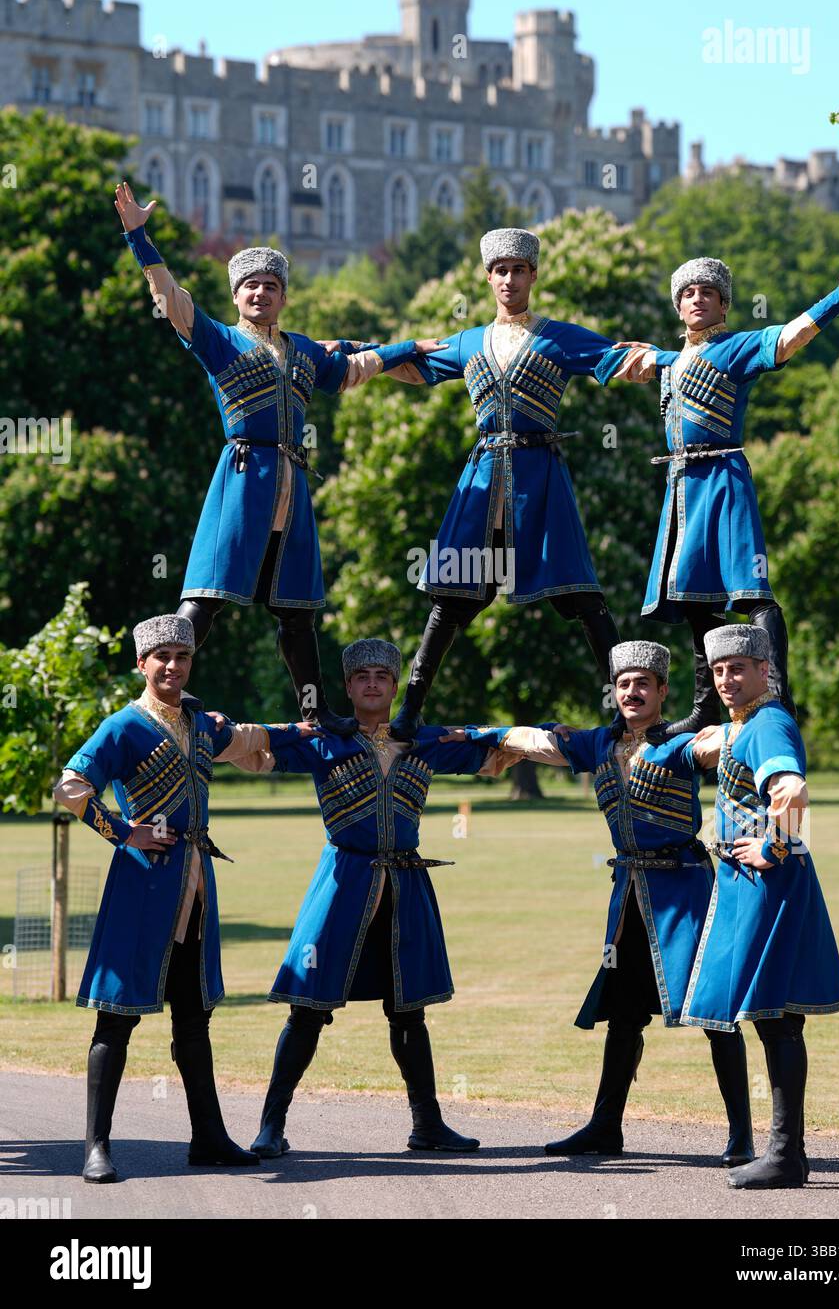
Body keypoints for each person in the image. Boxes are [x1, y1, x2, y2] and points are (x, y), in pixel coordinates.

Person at [114, 180, 443, 733]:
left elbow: (353, 369)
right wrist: (137, 237)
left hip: (292, 483)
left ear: (284, 295)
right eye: (250, 286)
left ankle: (314, 713)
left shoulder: (306, 350)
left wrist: (407, 348)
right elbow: (170, 297)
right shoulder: (218, 340)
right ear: (237, 295)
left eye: (270, 285)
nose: (260, 293)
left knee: (297, 612)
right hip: (242, 478)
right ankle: (163, 699)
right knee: (205, 598)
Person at [215, 638, 515, 1155]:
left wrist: (521, 734)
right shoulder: (321, 740)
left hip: (405, 887)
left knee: (408, 1010)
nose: (373, 683)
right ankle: (271, 1126)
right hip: (341, 884)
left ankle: (428, 1125)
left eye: (382, 675)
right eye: (362, 676)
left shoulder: (423, 741)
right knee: (306, 1006)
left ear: (396, 686)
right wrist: (215, 724)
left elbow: (496, 754)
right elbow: (246, 751)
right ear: (349, 687)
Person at [464, 641, 754, 1165]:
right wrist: (468, 735)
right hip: (629, 900)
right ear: (613, 693)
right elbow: (532, 742)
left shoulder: (682, 740)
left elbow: (730, 743)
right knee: (623, 1013)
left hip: (685, 891)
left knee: (715, 1010)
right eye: (624, 684)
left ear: (663, 691)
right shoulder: (596, 744)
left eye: (643, 683)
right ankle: (605, 1127)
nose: (633, 692)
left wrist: (755, 723)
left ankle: (741, 1136)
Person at [366, 228, 635, 739]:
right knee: (450, 597)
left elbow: (621, 360)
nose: (509, 279)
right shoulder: (467, 342)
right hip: (483, 480)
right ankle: (409, 713)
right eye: (500, 271)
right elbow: (411, 371)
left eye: (518, 270)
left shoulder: (560, 336)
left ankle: (628, 712)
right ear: (488, 278)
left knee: (582, 596)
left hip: (541, 482)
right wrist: (363, 354)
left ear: (533, 275)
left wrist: (671, 359)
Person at [612, 251, 839, 733]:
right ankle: (706, 708)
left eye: (707, 293)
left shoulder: (737, 348)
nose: (697, 299)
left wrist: (838, 297)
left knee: (752, 593)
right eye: (688, 293)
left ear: (724, 304)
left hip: (724, 478)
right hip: (682, 487)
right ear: (678, 305)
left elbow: (789, 337)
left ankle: (775, 694)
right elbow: (646, 359)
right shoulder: (671, 359)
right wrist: (639, 356)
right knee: (694, 599)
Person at [53, 614, 272, 1182]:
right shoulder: (122, 727)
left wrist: (318, 725)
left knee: (194, 1018)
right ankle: (96, 1147)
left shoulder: (202, 724)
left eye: (183, 656)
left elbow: (252, 739)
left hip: (196, 886)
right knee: (117, 1017)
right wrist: (126, 832)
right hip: (140, 884)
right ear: (142, 664)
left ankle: (209, 1137)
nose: (173, 666)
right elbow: (71, 788)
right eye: (163, 658)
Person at [681, 624, 839, 1189]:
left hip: (769, 884)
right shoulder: (742, 726)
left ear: (763, 672)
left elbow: (793, 788)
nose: (728, 680)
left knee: (777, 1020)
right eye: (719, 671)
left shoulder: (769, 722)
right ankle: (786, 1153)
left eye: (738, 669)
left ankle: (785, 1156)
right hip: (755, 886)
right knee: (773, 1019)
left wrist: (776, 845)